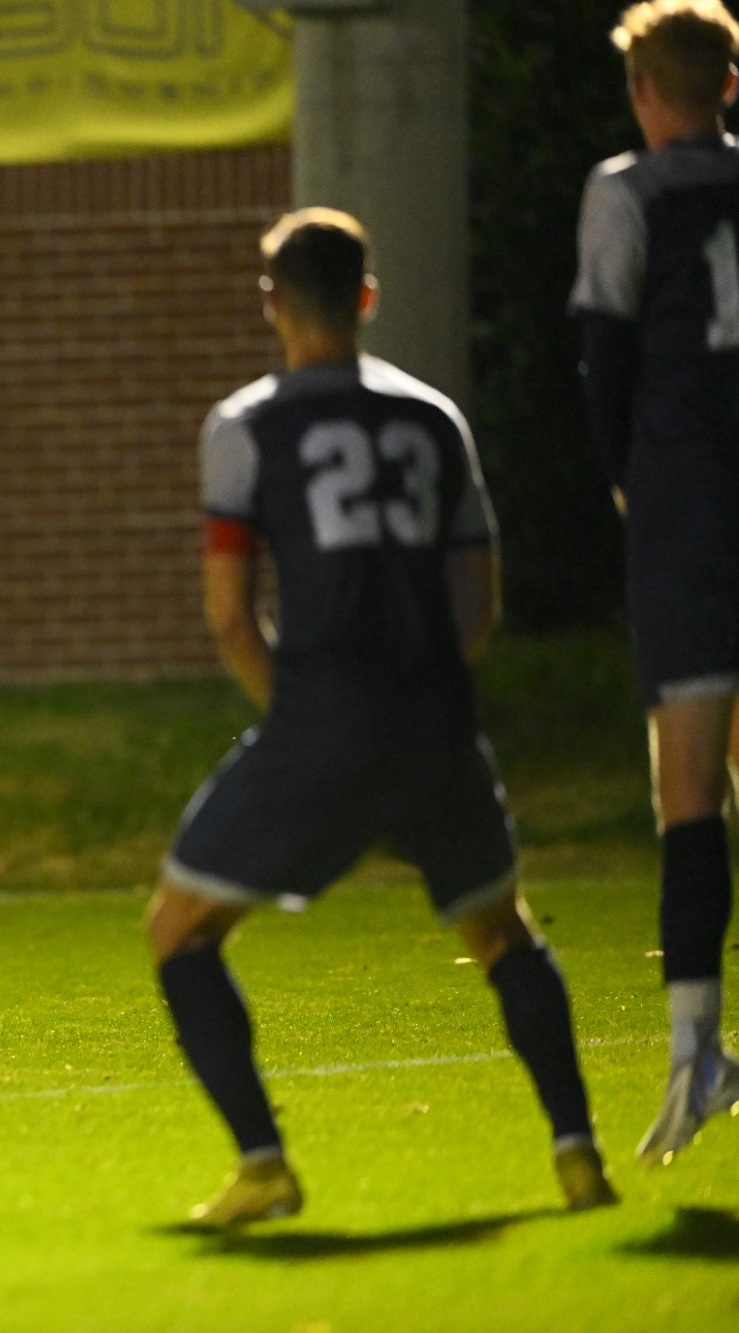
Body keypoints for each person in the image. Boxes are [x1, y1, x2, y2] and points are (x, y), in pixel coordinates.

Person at [147, 210, 617, 1226]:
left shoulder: (243, 425)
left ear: (271, 302)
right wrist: (419, 700)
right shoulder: (432, 419)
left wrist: (309, 724)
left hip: (320, 722)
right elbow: (475, 602)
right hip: (435, 722)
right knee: (501, 932)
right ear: (365, 297)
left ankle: (263, 1164)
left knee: (179, 930)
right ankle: (577, 1152)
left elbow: (230, 616)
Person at [571, 0, 739, 1166]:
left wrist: (628, 479)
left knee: (686, 781)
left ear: (644, 91)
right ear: (727, 85)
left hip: (687, 507)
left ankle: (695, 1047)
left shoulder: (624, 191)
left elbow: (600, 356)